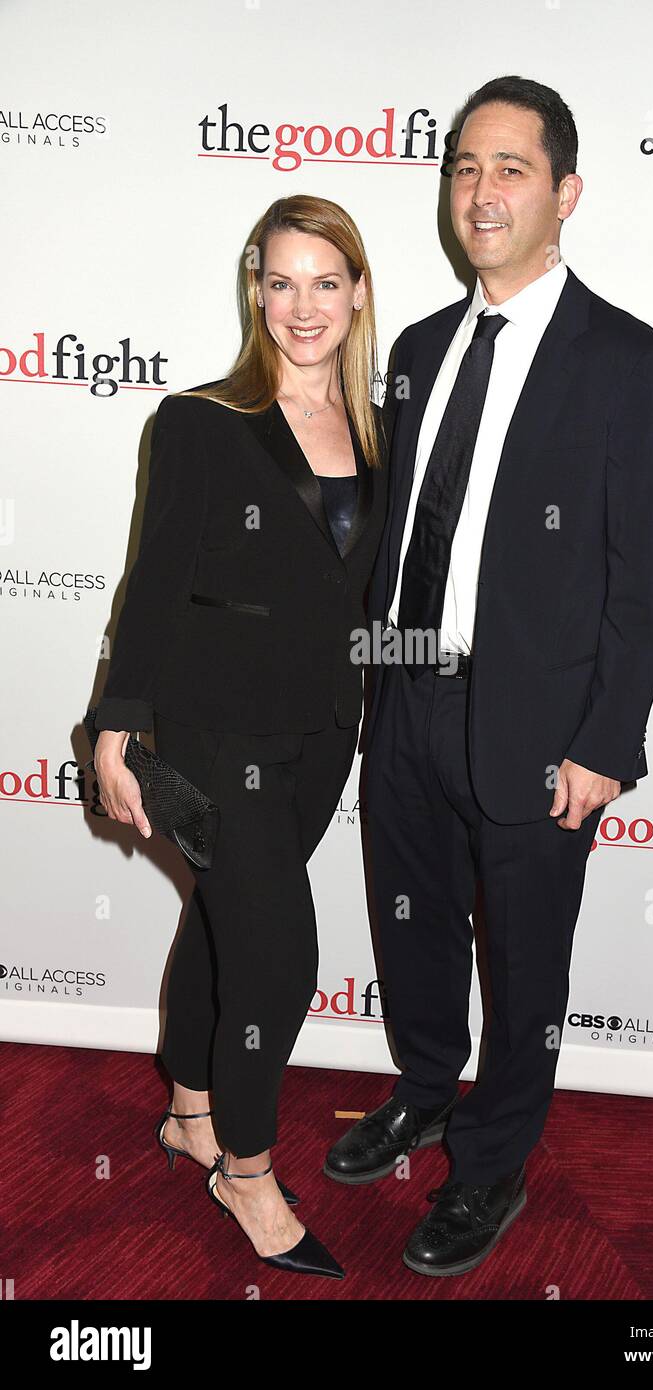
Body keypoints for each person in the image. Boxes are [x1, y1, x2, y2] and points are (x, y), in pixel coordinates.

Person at [325, 76, 653, 1277]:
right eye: (463, 168)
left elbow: (644, 575)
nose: (479, 192)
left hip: (538, 725)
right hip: (407, 695)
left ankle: (488, 1166)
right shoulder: (419, 351)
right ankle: (424, 1088)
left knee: (525, 961)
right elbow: (386, 545)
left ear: (563, 193)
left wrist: (604, 745)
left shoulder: (624, 362)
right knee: (411, 928)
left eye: (509, 169)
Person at [91, 194, 387, 1280]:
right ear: (252, 288)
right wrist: (117, 726)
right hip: (213, 732)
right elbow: (155, 580)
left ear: (356, 292)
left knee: (224, 921)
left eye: (323, 282)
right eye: (278, 281)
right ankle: (247, 1171)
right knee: (278, 952)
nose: (299, 306)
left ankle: (186, 1108)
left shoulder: (377, 430)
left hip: (321, 735)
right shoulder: (200, 420)